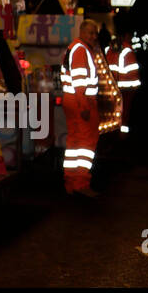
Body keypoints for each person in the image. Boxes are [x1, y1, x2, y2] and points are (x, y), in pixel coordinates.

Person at [61, 20, 102, 196]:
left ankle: (71, 181)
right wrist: (85, 105)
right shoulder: (81, 50)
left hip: (73, 100)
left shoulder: (77, 47)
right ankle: (81, 184)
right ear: (82, 32)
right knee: (86, 143)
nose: (93, 37)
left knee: (74, 143)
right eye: (90, 33)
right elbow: (79, 79)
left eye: (95, 34)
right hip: (82, 102)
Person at [106, 32, 141, 133]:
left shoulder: (109, 49)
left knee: (113, 115)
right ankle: (122, 138)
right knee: (124, 116)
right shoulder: (127, 50)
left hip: (111, 88)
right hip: (126, 89)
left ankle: (114, 136)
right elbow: (133, 74)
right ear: (126, 36)